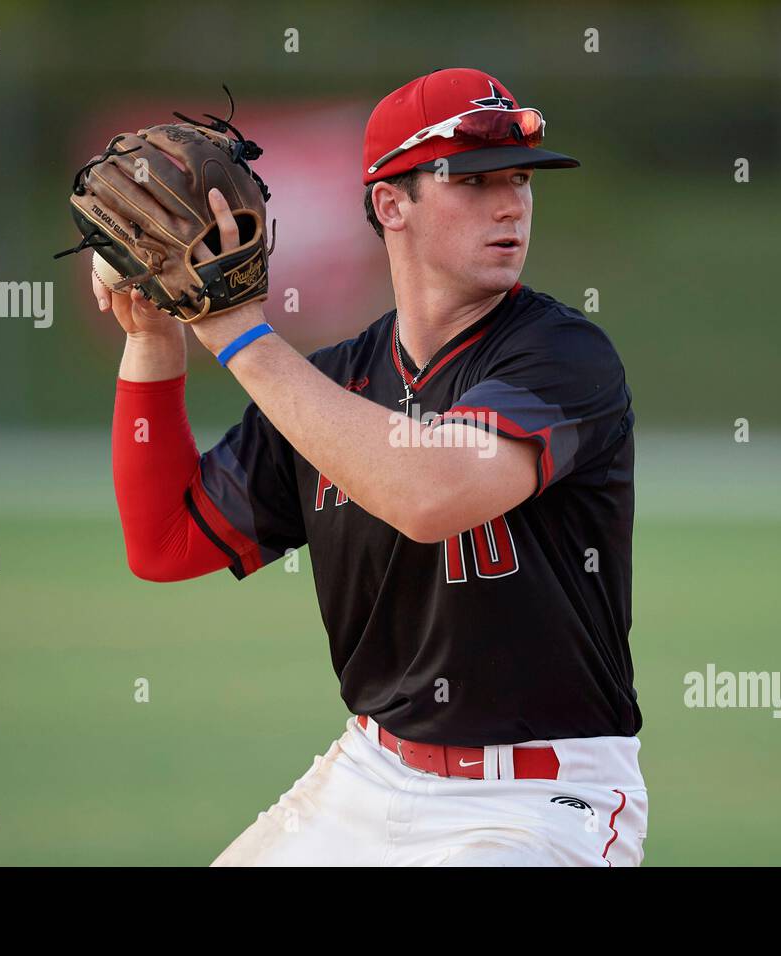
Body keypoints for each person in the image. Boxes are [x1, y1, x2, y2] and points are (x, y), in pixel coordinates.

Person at [97, 67, 645, 866]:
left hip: (538, 800)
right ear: (392, 202)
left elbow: (429, 494)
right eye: (474, 180)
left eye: (520, 179)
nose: (510, 204)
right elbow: (166, 543)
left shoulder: (562, 357)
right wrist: (152, 343)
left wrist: (239, 334)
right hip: (369, 772)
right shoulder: (332, 387)